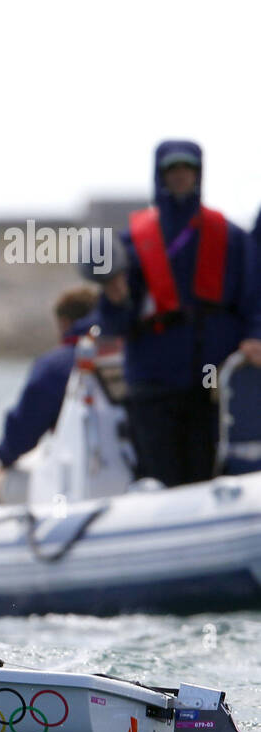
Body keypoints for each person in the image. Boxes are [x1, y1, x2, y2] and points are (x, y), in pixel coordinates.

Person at [97, 140, 261, 487]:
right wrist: (115, 296)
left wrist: (255, 337)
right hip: (151, 377)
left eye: (187, 168)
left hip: (208, 375)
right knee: (160, 471)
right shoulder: (130, 244)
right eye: (172, 169)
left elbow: (254, 297)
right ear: (160, 175)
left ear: (198, 173)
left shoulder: (230, 237)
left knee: (207, 462)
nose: (180, 175)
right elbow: (113, 322)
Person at [0, 287, 100, 502]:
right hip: (130, 472)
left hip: (79, 484)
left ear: (64, 323)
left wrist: (3, 458)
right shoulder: (129, 352)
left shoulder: (54, 366)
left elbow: (22, 435)